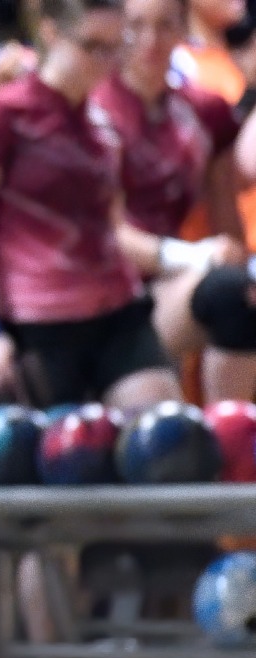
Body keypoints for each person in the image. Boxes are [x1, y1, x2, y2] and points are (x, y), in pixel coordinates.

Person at [0, 0, 189, 658]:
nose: (108, 63)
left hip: (115, 313)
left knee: (167, 442)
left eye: (117, 48)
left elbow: (112, 228)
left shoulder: (101, 122)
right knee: (57, 491)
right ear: (51, 33)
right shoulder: (6, 114)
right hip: (39, 322)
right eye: (95, 47)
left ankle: (140, 634)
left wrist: (181, 259)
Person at [96, 0, 256, 400]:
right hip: (101, 293)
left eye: (165, 26)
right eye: (136, 26)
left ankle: (231, 445)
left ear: (184, 30)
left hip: (168, 289)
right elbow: (107, 234)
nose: (150, 41)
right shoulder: (94, 107)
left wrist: (239, 265)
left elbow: (228, 225)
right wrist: (197, 257)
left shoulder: (205, 109)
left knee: (239, 294)